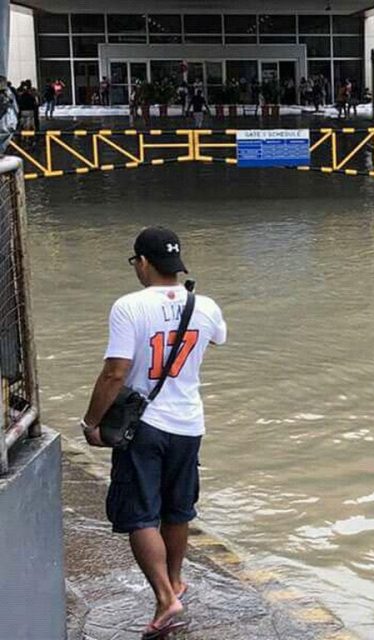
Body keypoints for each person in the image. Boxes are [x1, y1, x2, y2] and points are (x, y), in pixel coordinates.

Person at [81, 227, 226, 640]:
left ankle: (165, 598)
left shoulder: (129, 307)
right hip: (189, 424)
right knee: (178, 510)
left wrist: (92, 422)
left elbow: (115, 372)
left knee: (140, 514)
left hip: (143, 427)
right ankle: (175, 581)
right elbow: (216, 339)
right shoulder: (205, 305)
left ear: (143, 262)